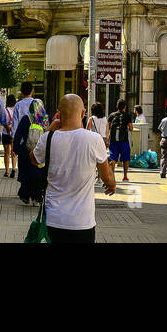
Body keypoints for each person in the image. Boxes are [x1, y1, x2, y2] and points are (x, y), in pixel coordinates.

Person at [33, 94, 115, 242]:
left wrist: (48, 131)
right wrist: (112, 184)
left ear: (58, 113)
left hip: (54, 220)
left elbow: (33, 159)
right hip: (82, 222)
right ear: (83, 113)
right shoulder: (94, 139)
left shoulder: (48, 138)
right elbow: (106, 177)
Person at [13, 91, 50, 205]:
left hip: (26, 151)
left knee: (26, 174)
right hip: (41, 151)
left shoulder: (26, 119)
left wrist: (16, 148)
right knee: (39, 175)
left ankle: (25, 195)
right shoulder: (46, 119)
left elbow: (18, 135)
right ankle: (37, 198)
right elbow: (50, 134)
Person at [106, 98, 132, 183]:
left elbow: (107, 126)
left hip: (113, 140)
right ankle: (125, 176)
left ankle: (112, 176)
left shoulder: (112, 115)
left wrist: (107, 137)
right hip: (124, 140)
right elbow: (131, 128)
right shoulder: (127, 115)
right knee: (125, 159)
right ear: (125, 107)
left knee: (113, 158)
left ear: (117, 106)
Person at [3, 94, 17, 177]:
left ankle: (7, 171)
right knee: (14, 152)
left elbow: (3, 122)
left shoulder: (5, 110)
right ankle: (14, 169)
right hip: (14, 133)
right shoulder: (16, 110)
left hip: (6, 132)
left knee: (7, 152)